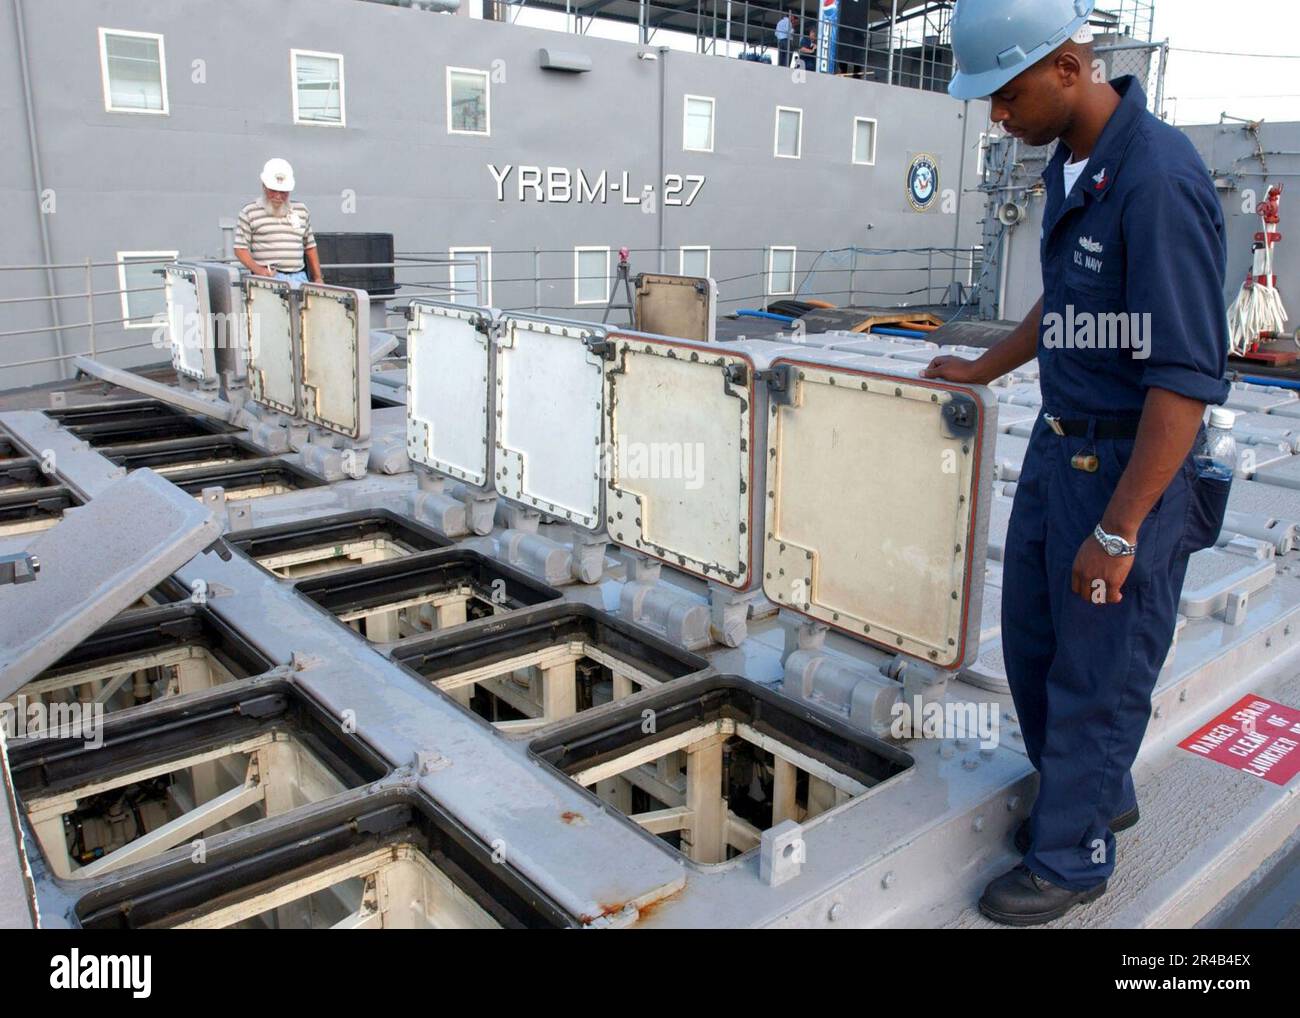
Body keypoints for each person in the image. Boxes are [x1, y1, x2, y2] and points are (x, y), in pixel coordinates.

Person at [925, 0, 1232, 925]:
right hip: (1062, 452)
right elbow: (1066, 306)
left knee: (1096, 670)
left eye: (1006, 94)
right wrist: (983, 365)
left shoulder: (1158, 180)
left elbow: (1184, 382)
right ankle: (1097, 790)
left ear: (1068, 66)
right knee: (1034, 642)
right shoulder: (1075, 164)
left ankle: (1076, 855)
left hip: (1128, 469)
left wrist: (1121, 527)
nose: (997, 117)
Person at [234, 158, 323, 286]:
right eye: (273, 190)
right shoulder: (249, 212)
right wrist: (259, 271)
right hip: (267, 279)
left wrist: (318, 278)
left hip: (299, 278)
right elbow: (240, 249)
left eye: (283, 192)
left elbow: (310, 246)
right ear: (264, 187)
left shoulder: (301, 210)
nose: (278, 196)